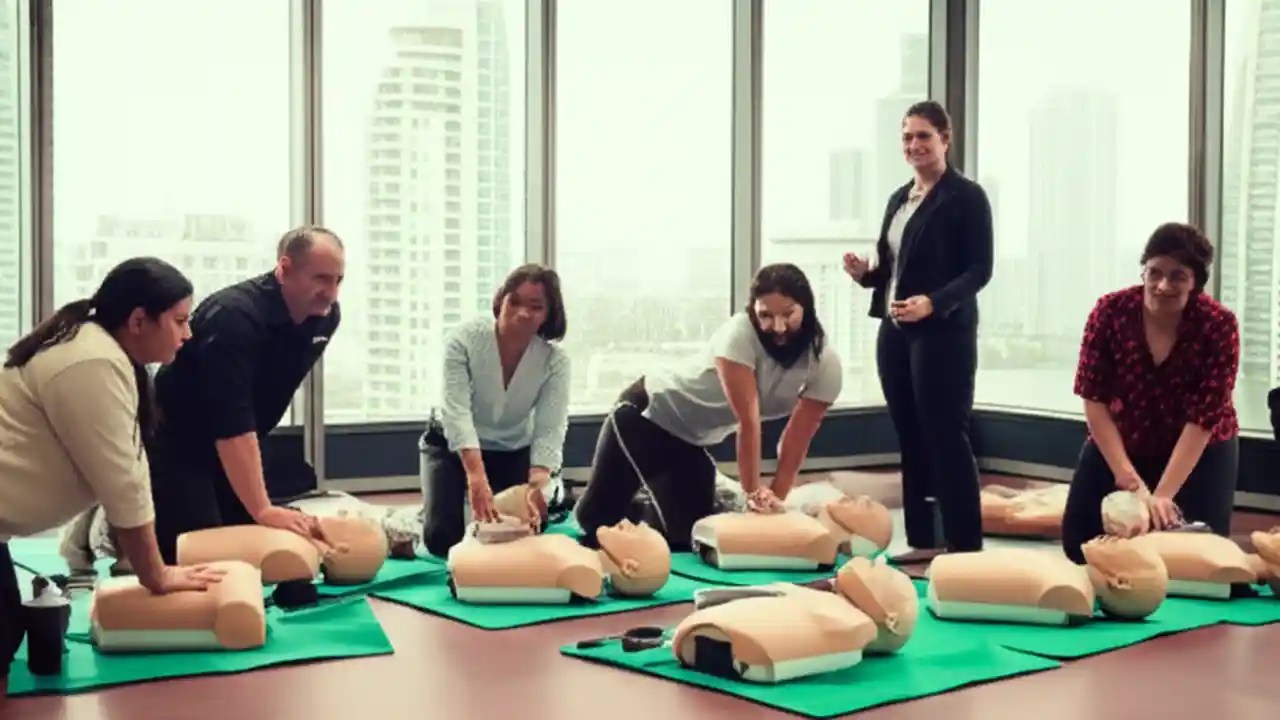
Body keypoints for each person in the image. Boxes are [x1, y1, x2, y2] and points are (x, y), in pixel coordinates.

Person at [0, 258, 223, 703]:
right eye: (179, 321)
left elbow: (130, 468)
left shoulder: (104, 352)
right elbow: (122, 482)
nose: (188, 333)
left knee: (5, 632)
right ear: (139, 320)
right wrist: (155, 575)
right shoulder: (90, 361)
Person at [574, 263, 843, 550]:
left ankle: (645, 501)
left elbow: (795, 442)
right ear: (753, 311)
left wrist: (774, 502)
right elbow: (749, 425)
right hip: (645, 416)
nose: (777, 327)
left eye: (788, 314)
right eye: (765, 315)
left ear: (807, 308)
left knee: (691, 536)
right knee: (596, 523)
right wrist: (753, 496)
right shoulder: (738, 335)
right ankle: (616, 503)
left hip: (690, 441)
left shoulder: (825, 364)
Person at [843, 100, 994, 562]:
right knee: (909, 432)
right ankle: (923, 540)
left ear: (945, 139)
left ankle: (965, 544)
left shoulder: (966, 196)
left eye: (924, 136)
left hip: (943, 332)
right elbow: (895, 267)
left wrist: (934, 302)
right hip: (896, 331)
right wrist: (867, 274)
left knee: (946, 432)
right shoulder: (898, 198)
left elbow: (979, 270)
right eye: (907, 137)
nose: (914, 145)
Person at [147, 226, 345, 564]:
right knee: (199, 556)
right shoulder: (234, 317)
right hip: (175, 440)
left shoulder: (324, 319)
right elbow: (230, 418)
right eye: (321, 279)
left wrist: (260, 508)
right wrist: (263, 508)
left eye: (338, 280)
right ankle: (122, 531)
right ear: (283, 269)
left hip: (237, 439)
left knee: (266, 555)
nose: (330, 292)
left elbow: (254, 408)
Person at [1060, 223, 1240, 564]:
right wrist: (1132, 486)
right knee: (1079, 545)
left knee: (1200, 557)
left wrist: (1162, 496)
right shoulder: (1110, 312)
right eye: (1154, 273)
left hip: (1198, 450)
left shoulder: (1219, 325)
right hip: (1122, 441)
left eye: (1177, 277)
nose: (1162, 285)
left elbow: (1203, 418)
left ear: (1196, 283)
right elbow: (1093, 398)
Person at [421, 264, 571, 557]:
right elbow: (457, 413)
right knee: (442, 541)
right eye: (514, 301)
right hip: (452, 448)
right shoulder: (462, 340)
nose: (522, 313)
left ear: (548, 315)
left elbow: (549, 426)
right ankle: (424, 512)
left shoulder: (555, 361)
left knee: (522, 534)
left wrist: (538, 482)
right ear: (500, 299)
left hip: (512, 449)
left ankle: (560, 493)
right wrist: (476, 479)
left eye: (536, 306)